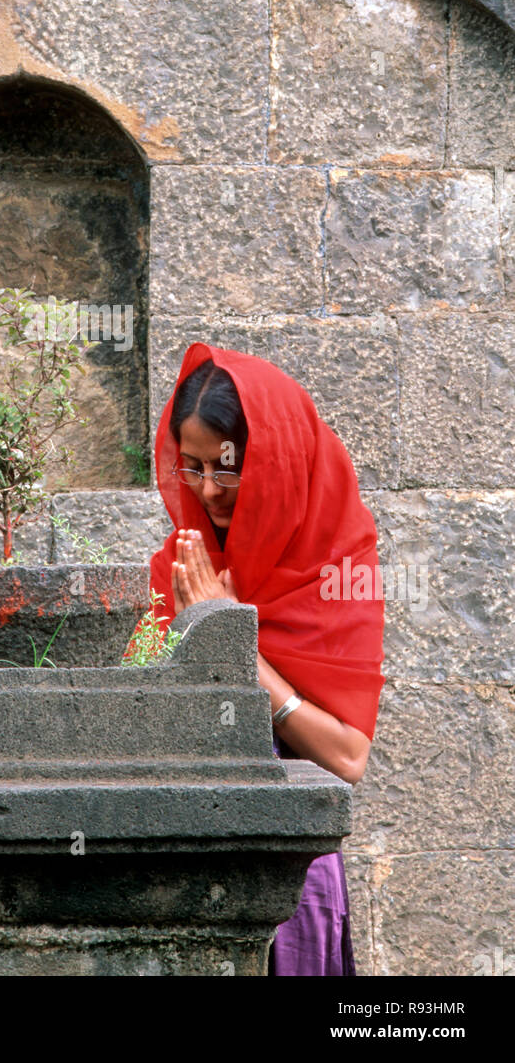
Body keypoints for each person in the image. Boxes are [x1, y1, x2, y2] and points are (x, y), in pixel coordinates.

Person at [132, 343, 385, 975]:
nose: (209, 490)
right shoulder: (183, 566)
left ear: (277, 462)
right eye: (191, 468)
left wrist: (229, 640)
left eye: (227, 468)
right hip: (181, 860)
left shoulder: (336, 566)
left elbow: (347, 756)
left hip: (288, 869)